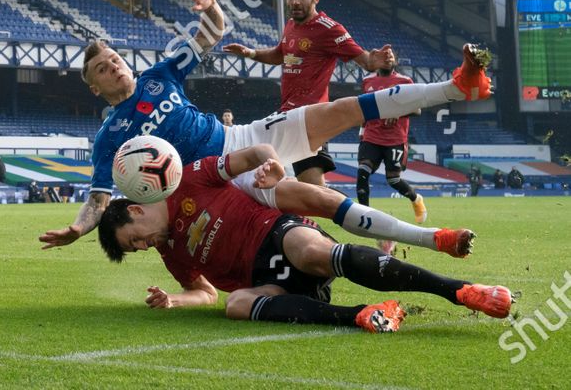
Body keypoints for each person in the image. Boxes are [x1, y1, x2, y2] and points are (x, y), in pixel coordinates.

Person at [37, 0, 495, 252]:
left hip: (242, 139)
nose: (114, 67)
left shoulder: (159, 75)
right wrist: (77, 229)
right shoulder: (112, 136)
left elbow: (212, 32)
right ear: (94, 86)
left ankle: (458, 86)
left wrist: (211, 8)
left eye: (114, 59)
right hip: (219, 181)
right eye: (102, 68)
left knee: (343, 109)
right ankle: (432, 238)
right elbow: (99, 197)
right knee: (321, 202)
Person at [93, 143, 511, 331]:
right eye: (137, 249)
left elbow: (256, 153)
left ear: (135, 210)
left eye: (135, 240)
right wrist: (174, 299)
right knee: (236, 305)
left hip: (278, 235)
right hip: (268, 283)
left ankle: (460, 291)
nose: (144, 247)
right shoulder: (171, 254)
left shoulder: (192, 178)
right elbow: (205, 294)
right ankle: (363, 315)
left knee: (308, 251)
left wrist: (274, 167)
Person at [223, 0, 394, 185]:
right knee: (309, 187)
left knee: (306, 186)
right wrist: (251, 53)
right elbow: (279, 55)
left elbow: (365, 60)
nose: (295, 2)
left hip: (309, 118)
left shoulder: (329, 29)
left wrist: (377, 61)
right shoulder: (291, 25)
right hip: (289, 115)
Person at [357, 51, 427, 249]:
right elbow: (363, 109)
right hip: (371, 136)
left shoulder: (405, 81)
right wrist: (362, 130)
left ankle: (416, 198)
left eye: (391, 57)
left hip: (394, 139)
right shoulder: (367, 82)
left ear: (395, 61)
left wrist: (396, 112)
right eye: (384, 56)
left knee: (393, 180)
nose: (387, 59)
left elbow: (417, 109)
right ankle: (363, 217)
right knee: (362, 173)